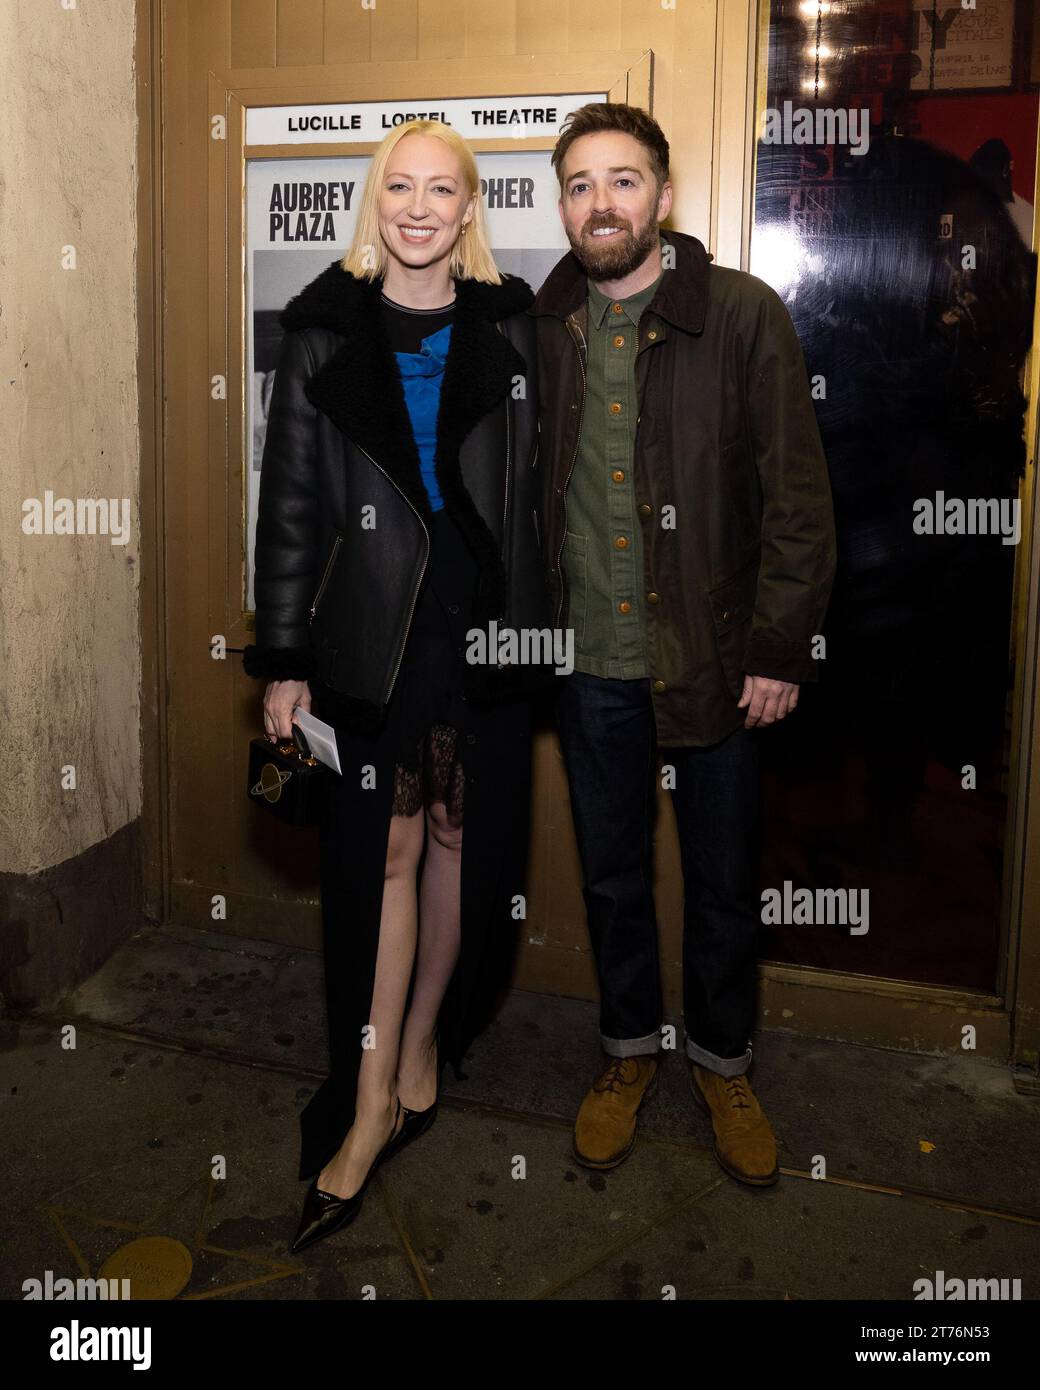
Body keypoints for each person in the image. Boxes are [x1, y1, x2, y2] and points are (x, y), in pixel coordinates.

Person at [243, 120, 552, 1251]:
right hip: (371, 640)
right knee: (385, 851)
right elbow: (287, 512)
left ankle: (424, 1039)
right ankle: (369, 1095)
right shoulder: (324, 330)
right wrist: (280, 659)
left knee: (464, 847)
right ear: (375, 203)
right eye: (399, 188)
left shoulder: (511, 322)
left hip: (481, 636)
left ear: (469, 208)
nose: (418, 207)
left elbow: (543, 495)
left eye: (441, 190)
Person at [529, 102, 836, 1185]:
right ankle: (624, 1053)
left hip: (712, 658)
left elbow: (796, 499)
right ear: (559, 203)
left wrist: (777, 647)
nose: (600, 201)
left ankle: (719, 1058)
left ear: (661, 196)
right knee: (611, 875)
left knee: (718, 877)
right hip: (584, 663)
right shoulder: (541, 331)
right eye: (577, 182)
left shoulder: (741, 316)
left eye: (622, 180)